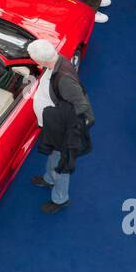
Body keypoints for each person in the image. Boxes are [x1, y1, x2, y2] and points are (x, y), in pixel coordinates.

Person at [27, 39, 93, 214]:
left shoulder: (63, 79)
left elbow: (82, 106)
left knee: (62, 164)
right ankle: (49, 179)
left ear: (40, 62)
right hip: (54, 126)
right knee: (53, 156)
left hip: (64, 131)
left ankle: (60, 198)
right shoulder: (57, 61)